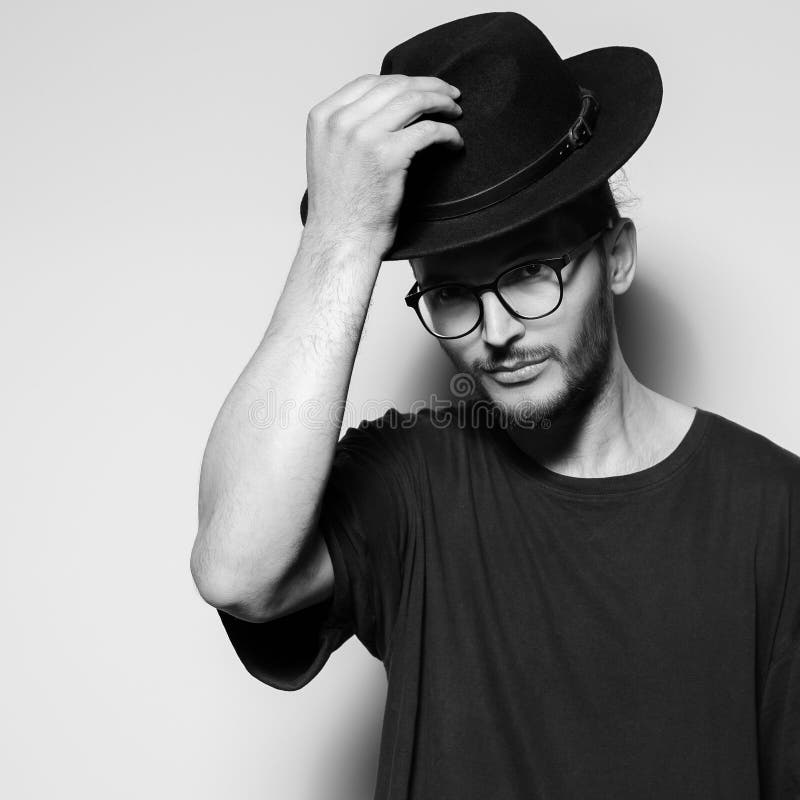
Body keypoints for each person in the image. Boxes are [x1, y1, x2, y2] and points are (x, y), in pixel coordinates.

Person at [190, 12, 800, 799]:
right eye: (451, 294)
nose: (499, 332)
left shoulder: (774, 508)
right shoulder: (412, 480)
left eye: (529, 271)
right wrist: (341, 238)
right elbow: (236, 569)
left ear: (615, 256)